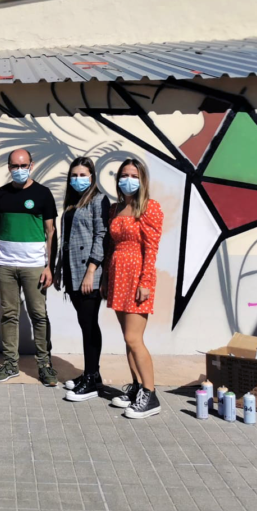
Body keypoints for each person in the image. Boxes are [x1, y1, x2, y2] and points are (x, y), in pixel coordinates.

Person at [0, 149, 59, 386]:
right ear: (8, 167)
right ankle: (10, 364)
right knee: (9, 315)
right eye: (15, 166)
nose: (19, 170)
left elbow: (51, 232)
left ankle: (44, 365)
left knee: (39, 315)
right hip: (6, 265)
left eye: (23, 165)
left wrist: (49, 266)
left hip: (34, 267)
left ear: (31, 165)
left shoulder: (43, 194)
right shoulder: (1, 194)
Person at [104, 157, 164, 419]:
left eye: (133, 176)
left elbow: (151, 248)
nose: (128, 180)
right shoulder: (115, 208)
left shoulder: (150, 208)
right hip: (118, 275)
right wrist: (106, 279)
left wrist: (146, 282)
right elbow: (111, 246)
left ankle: (150, 395)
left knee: (133, 338)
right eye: (124, 175)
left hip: (137, 275)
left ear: (142, 180)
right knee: (127, 338)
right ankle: (137, 387)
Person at [52, 157, 110, 402]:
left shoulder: (98, 200)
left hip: (88, 274)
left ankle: (91, 379)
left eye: (83, 175)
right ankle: (91, 374)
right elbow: (65, 240)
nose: (78, 179)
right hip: (71, 272)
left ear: (92, 176)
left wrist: (91, 271)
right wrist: (58, 269)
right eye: (74, 175)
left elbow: (101, 235)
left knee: (89, 325)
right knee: (85, 323)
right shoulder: (72, 202)